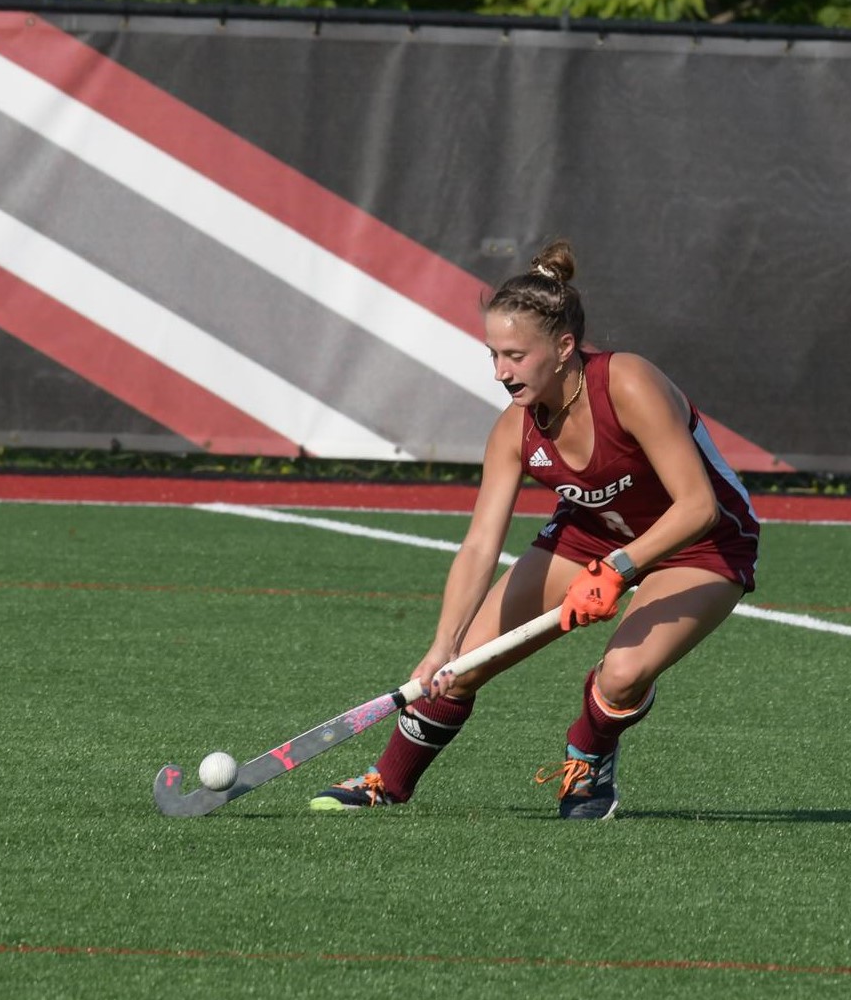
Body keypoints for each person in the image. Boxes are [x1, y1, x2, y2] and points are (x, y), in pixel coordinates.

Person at [310, 239, 760, 819]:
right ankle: (388, 782)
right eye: (494, 355)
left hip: (702, 544)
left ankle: (589, 756)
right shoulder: (513, 431)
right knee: (463, 668)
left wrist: (617, 570)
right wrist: (442, 648)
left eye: (515, 356)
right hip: (591, 535)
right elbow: (480, 545)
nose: (500, 372)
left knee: (621, 676)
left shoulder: (627, 382)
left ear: (564, 347)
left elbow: (698, 506)